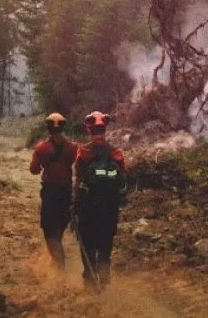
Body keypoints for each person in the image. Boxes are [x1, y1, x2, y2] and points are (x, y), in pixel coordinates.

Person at [72, 111, 127, 290]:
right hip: (110, 209)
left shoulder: (84, 152)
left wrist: (74, 207)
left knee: (87, 245)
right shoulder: (117, 153)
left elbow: (78, 181)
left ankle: (90, 280)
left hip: (88, 208)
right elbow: (123, 182)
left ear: (89, 130)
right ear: (105, 130)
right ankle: (104, 278)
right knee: (105, 244)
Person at [29, 112, 79, 269]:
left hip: (50, 193)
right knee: (60, 226)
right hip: (66, 192)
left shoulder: (41, 148)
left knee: (49, 231)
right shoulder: (73, 147)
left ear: (48, 128)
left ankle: (59, 264)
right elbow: (80, 167)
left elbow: (34, 170)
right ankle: (59, 257)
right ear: (63, 127)